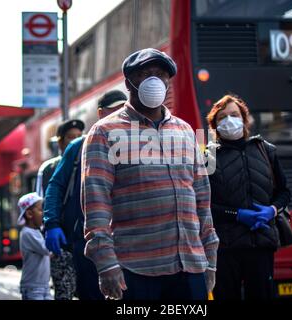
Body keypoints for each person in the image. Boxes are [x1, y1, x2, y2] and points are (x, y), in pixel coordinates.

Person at [81, 48, 219, 300]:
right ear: (129, 83)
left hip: (190, 266)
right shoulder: (104, 132)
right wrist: (106, 264)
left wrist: (210, 258)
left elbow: (202, 197)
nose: (155, 80)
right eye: (146, 74)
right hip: (135, 269)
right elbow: (96, 202)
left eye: (161, 74)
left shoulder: (186, 131)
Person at [205, 94, 291, 300]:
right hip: (224, 248)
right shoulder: (208, 157)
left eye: (234, 114)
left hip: (261, 245)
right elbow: (203, 204)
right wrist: (236, 214)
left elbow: (284, 192)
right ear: (214, 125)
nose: (229, 120)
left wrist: (272, 210)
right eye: (222, 117)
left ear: (244, 119)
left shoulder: (266, 150)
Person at [44, 90, 127, 300]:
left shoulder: (138, 143)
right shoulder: (79, 146)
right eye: (114, 109)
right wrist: (52, 223)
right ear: (101, 113)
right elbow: (56, 185)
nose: (120, 113)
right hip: (87, 242)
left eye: (123, 108)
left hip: (127, 241)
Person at [35, 119, 84, 300]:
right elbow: (40, 202)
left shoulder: (86, 162)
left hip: (83, 239)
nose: (75, 141)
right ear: (60, 141)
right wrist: (49, 228)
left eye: (79, 137)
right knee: (64, 292)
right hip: (61, 241)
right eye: (71, 137)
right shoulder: (48, 168)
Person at [18, 192, 52, 300]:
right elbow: (46, 249)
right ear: (29, 214)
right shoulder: (27, 233)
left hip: (44, 285)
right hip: (33, 287)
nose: (44, 213)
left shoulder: (36, 232)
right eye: (41, 210)